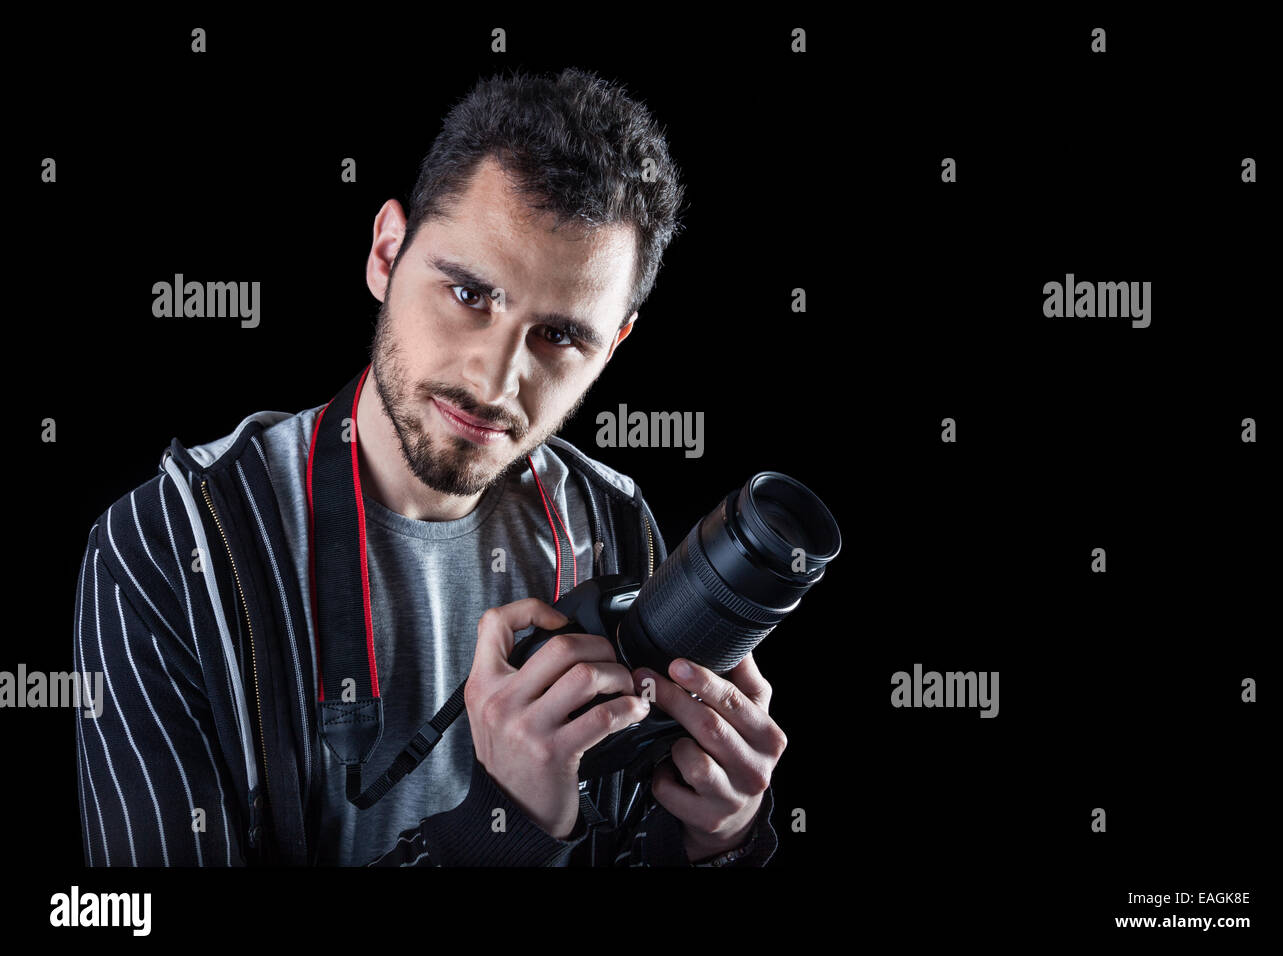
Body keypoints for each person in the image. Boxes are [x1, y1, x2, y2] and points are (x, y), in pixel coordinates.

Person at [73, 68, 784, 867]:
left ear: (612, 348)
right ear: (385, 253)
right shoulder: (172, 544)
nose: (493, 379)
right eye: (470, 293)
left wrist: (716, 839)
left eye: (559, 337)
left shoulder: (614, 526)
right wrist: (502, 824)